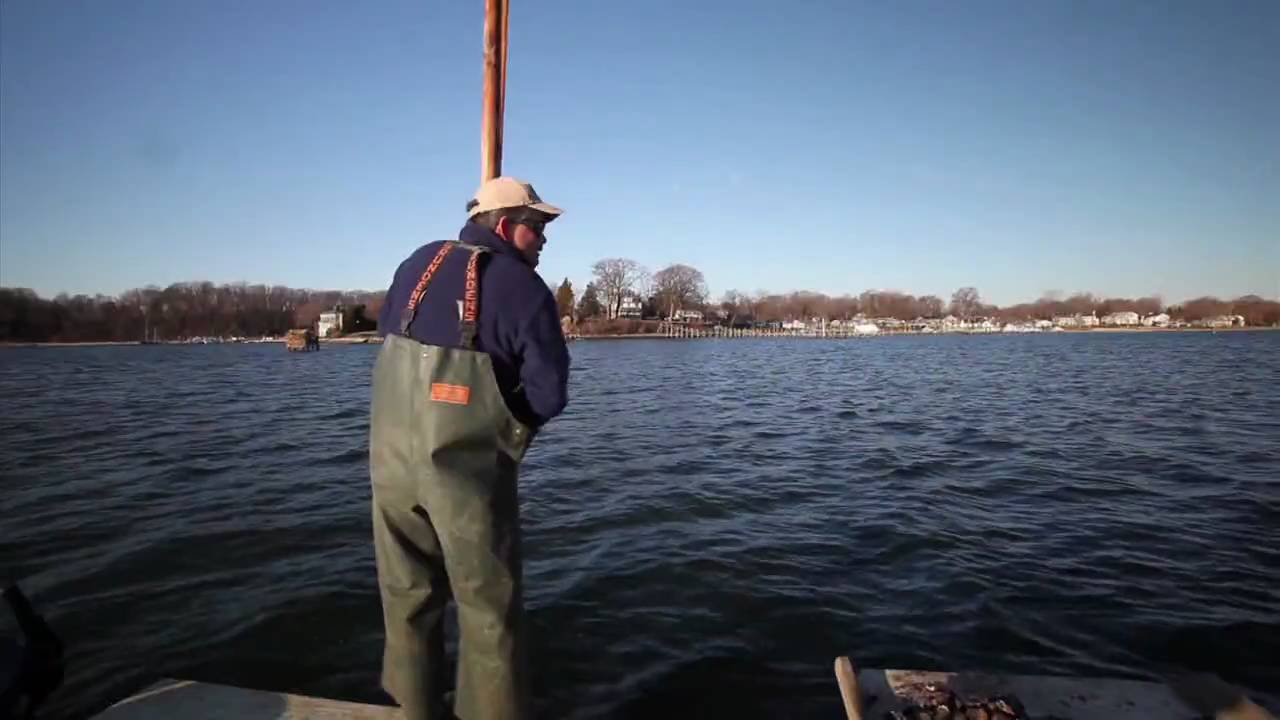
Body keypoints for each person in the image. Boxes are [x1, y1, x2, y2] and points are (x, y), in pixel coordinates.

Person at [370, 176, 571, 720]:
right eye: (538, 227)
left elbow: (390, 335)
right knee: (489, 612)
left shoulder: (417, 263)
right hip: (466, 476)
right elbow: (549, 395)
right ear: (506, 227)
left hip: (389, 468)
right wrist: (504, 428)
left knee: (406, 600)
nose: (546, 239)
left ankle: (410, 712)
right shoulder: (526, 291)